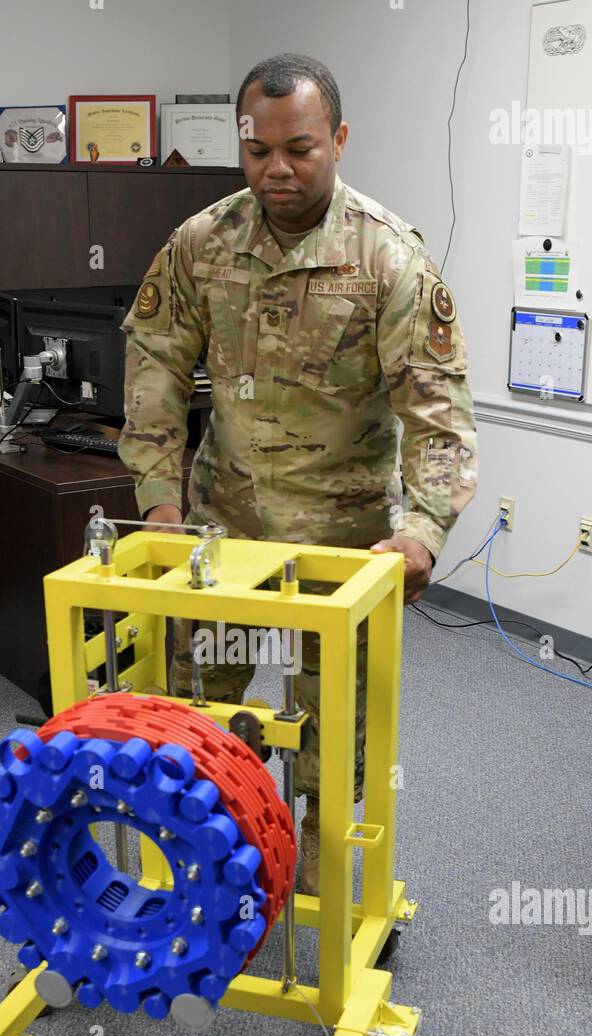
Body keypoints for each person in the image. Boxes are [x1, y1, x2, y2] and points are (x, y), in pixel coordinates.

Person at [117, 53, 478, 893]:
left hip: (343, 549)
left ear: (341, 141)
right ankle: (211, 887)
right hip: (222, 534)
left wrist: (422, 531)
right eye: (258, 150)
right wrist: (159, 500)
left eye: (301, 149)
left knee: (333, 743)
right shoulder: (201, 244)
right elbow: (153, 369)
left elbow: (440, 414)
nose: (276, 169)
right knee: (206, 721)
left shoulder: (387, 259)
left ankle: (322, 909)